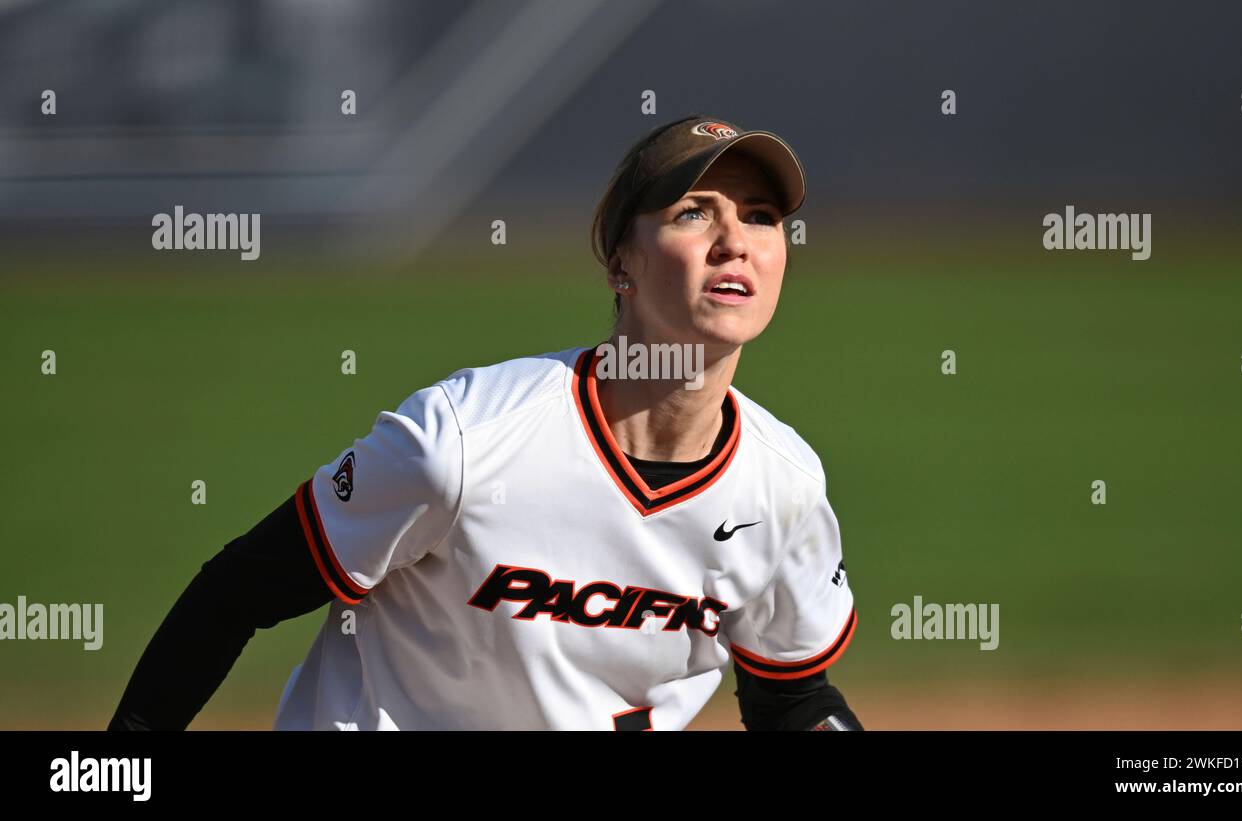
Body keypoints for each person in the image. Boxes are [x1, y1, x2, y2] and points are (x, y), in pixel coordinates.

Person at [109, 114, 862, 731]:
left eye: (761, 218)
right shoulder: (465, 443)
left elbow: (790, 697)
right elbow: (238, 591)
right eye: (694, 211)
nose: (736, 239)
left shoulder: (782, 489)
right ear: (620, 263)